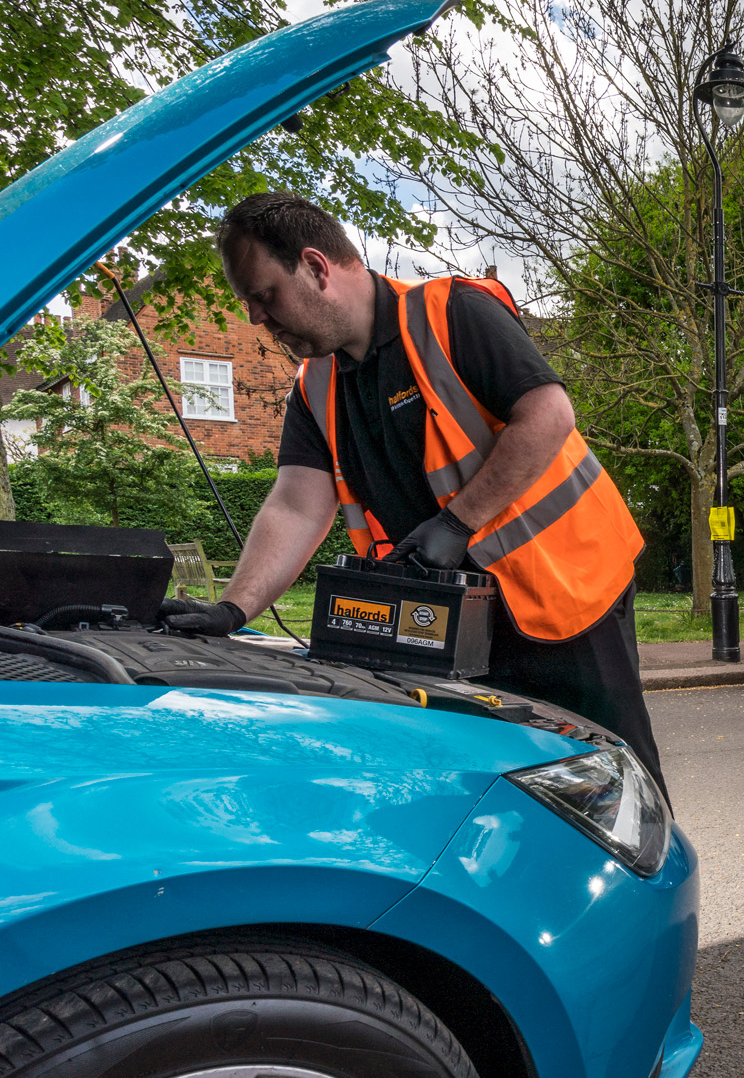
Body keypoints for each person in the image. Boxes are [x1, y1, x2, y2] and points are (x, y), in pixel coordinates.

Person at [160, 192, 663, 785]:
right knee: (497, 793)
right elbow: (297, 505)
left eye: (264, 296)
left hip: (566, 589)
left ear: (318, 268)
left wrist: (457, 524)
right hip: (447, 622)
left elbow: (549, 414)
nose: (255, 319)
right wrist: (233, 608)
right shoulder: (314, 387)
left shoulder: (452, 313)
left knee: (614, 783)